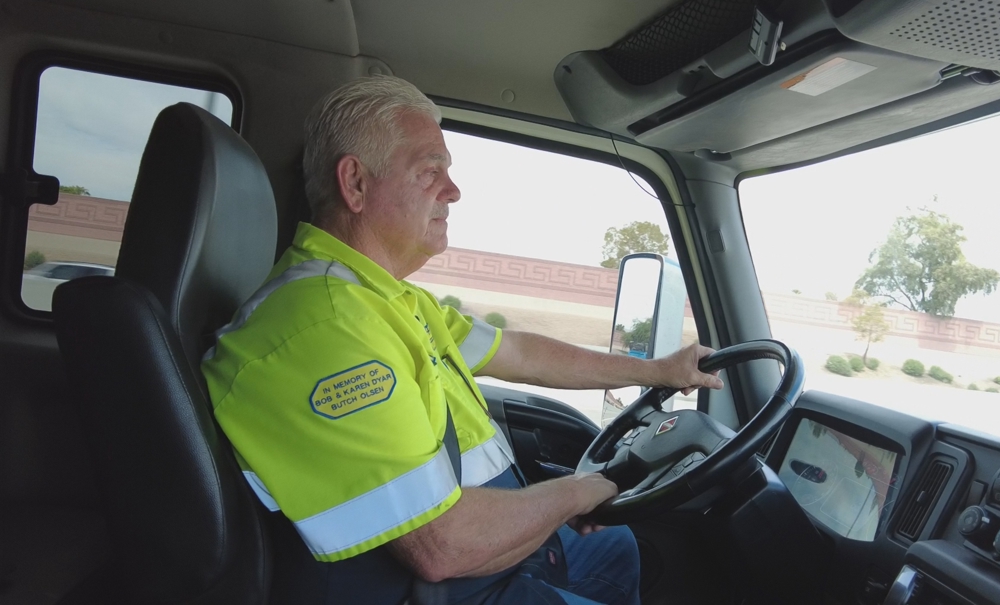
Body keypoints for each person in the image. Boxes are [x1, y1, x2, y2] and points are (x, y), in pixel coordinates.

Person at [201, 75, 723, 605]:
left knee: (615, 545)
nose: (453, 191)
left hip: (485, 559)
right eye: (430, 171)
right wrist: (576, 492)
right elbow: (441, 546)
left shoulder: (387, 299)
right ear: (355, 183)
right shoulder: (325, 326)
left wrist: (658, 371)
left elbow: (519, 352)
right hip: (440, 586)